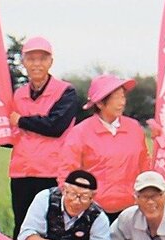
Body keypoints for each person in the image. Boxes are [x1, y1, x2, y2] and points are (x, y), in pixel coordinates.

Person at [7, 37, 80, 238]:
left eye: (42, 59)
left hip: (52, 172)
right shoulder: (18, 94)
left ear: (51, 62)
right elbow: (11, 134)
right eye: (31, 59)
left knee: (53, 228)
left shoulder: (65, 92)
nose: (37, 64)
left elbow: (56, 126)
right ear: (24, 62)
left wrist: (21, 121)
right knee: (22, 226)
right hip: (22, 172)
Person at [60, 74, 151, 222]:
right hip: (92, 212)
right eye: (116, 98)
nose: (121, 102)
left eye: (123, 96)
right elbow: (67, 173)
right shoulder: (80, 132)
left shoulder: (134, 128)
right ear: (100, 103)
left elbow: (145, 165)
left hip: (132, 210)